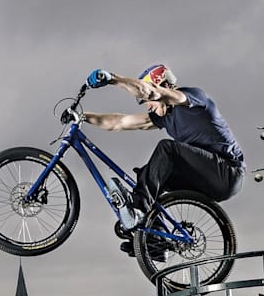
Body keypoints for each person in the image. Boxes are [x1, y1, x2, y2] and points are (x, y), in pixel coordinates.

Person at [78, 64, 245, 254]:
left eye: (146, 101)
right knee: (148, 176)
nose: (147, 106)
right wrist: (83, 117)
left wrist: (112, 79)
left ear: (163, 85)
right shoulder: (164, 118)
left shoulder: (191, 97)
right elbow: (120, 122)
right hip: (206, 177)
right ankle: (157, 242)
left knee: (167, 149)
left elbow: (152, 93)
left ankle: (138, 211)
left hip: (228, 171)